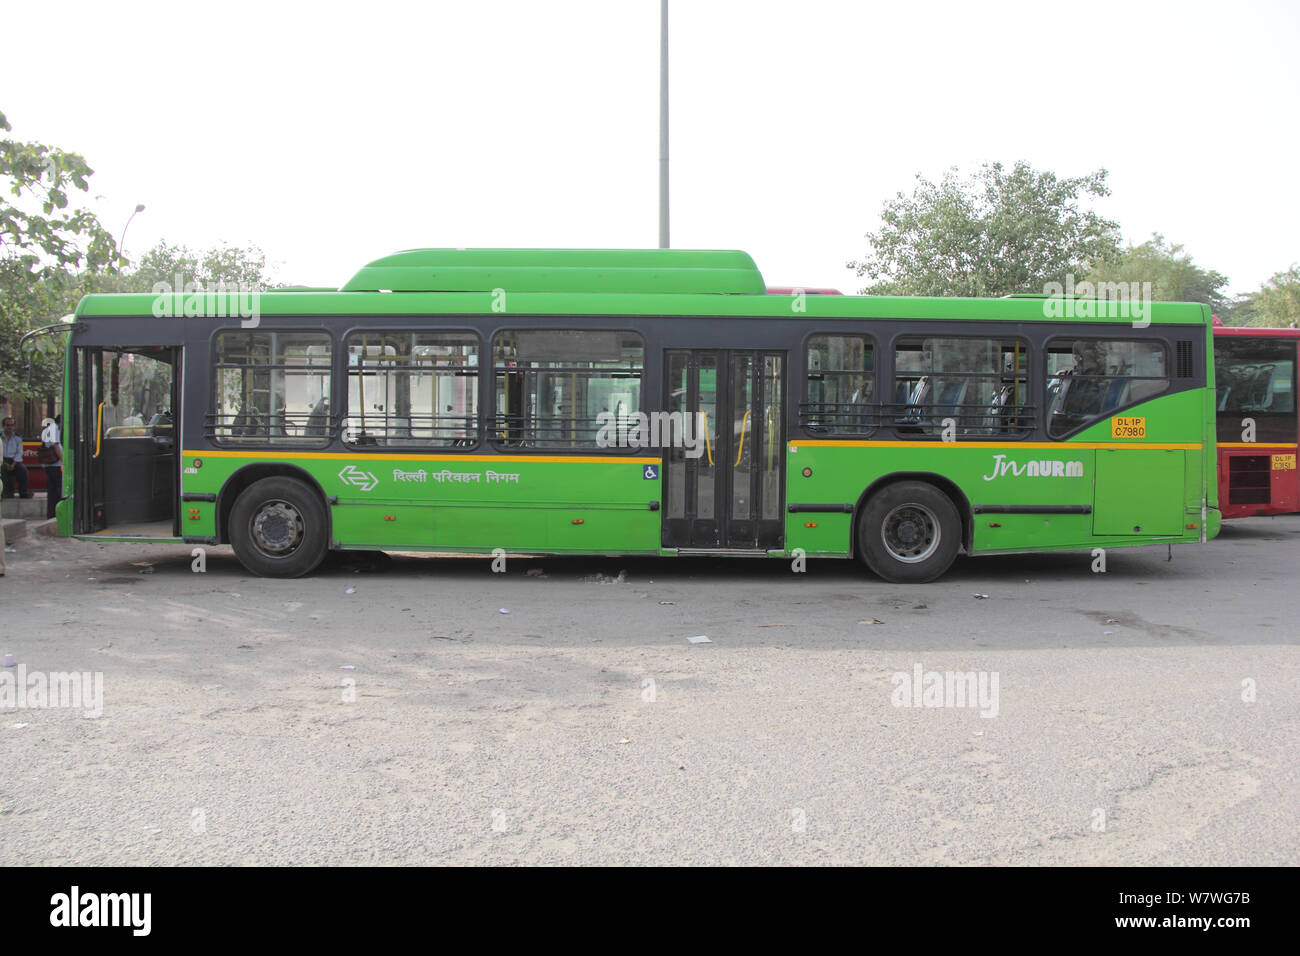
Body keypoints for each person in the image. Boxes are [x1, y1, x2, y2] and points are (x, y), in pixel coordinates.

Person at [2, 417, 33, 499]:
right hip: (2, 461)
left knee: (23, 471)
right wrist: (4, 463)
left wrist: (13, 464)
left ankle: (23, 493)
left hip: (14, 461)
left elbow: (19, 452)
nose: (9, 427)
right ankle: (7, 493)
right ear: (3, 426)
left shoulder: (17, 438)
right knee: (3, 471)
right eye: (7, 425)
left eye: (12, 425)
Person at [40, 415, 63, 520]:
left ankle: (52, 515)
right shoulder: (54, 429)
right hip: (55, 464)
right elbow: (56, 445)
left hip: (51, 465)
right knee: (56, 490)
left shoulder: (51, 428)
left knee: (53, 490)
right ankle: (54, 514)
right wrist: (63, 460)